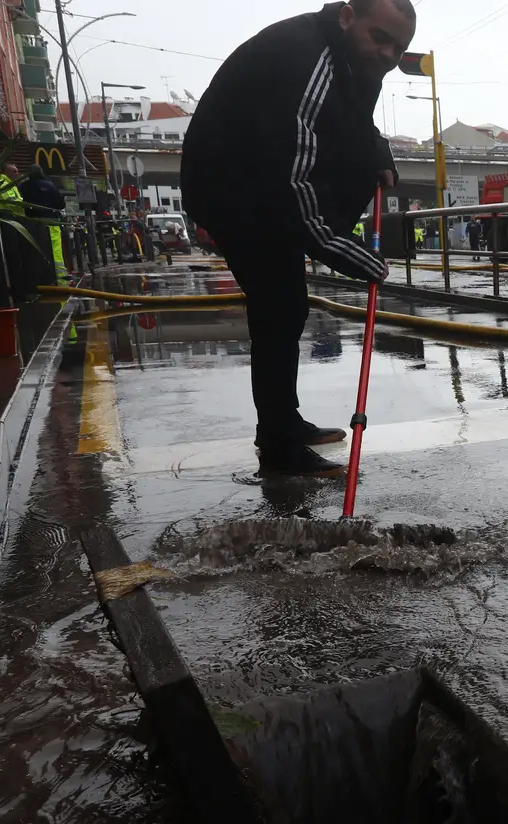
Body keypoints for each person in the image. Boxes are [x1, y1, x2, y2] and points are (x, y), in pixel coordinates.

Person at [182, 0, 414, 477]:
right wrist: (339, 248)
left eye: (399, 47)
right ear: (347, 17)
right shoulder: (307, 59)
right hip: (235, 188)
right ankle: (279, 448)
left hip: (258, 188)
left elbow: (356, 122)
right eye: (380, 37)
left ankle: (282, 425)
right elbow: (288, 174)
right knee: (278, 306)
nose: (388, 54)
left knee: (286, 307)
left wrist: (379, 154)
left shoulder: (353, 60)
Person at [18, 164, 68, 278]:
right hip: (51, 221)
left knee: (35, 250)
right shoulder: (49, 185)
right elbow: (60, 203)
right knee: (55, 249)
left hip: (29, 222)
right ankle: (59, 275)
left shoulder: (23, 186)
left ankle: (40, 276)